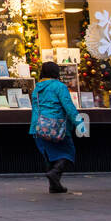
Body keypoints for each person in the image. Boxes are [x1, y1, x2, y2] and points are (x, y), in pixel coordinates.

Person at [30, 61, 81, 193]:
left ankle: (54, 185)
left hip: (39, 126)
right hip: (57, 126)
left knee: (49, 155)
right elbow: (69, 106)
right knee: (68, 152)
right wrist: (79, 123)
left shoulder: (37, 88)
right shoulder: (59, 86)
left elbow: (35, 107)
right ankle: (55, 174)